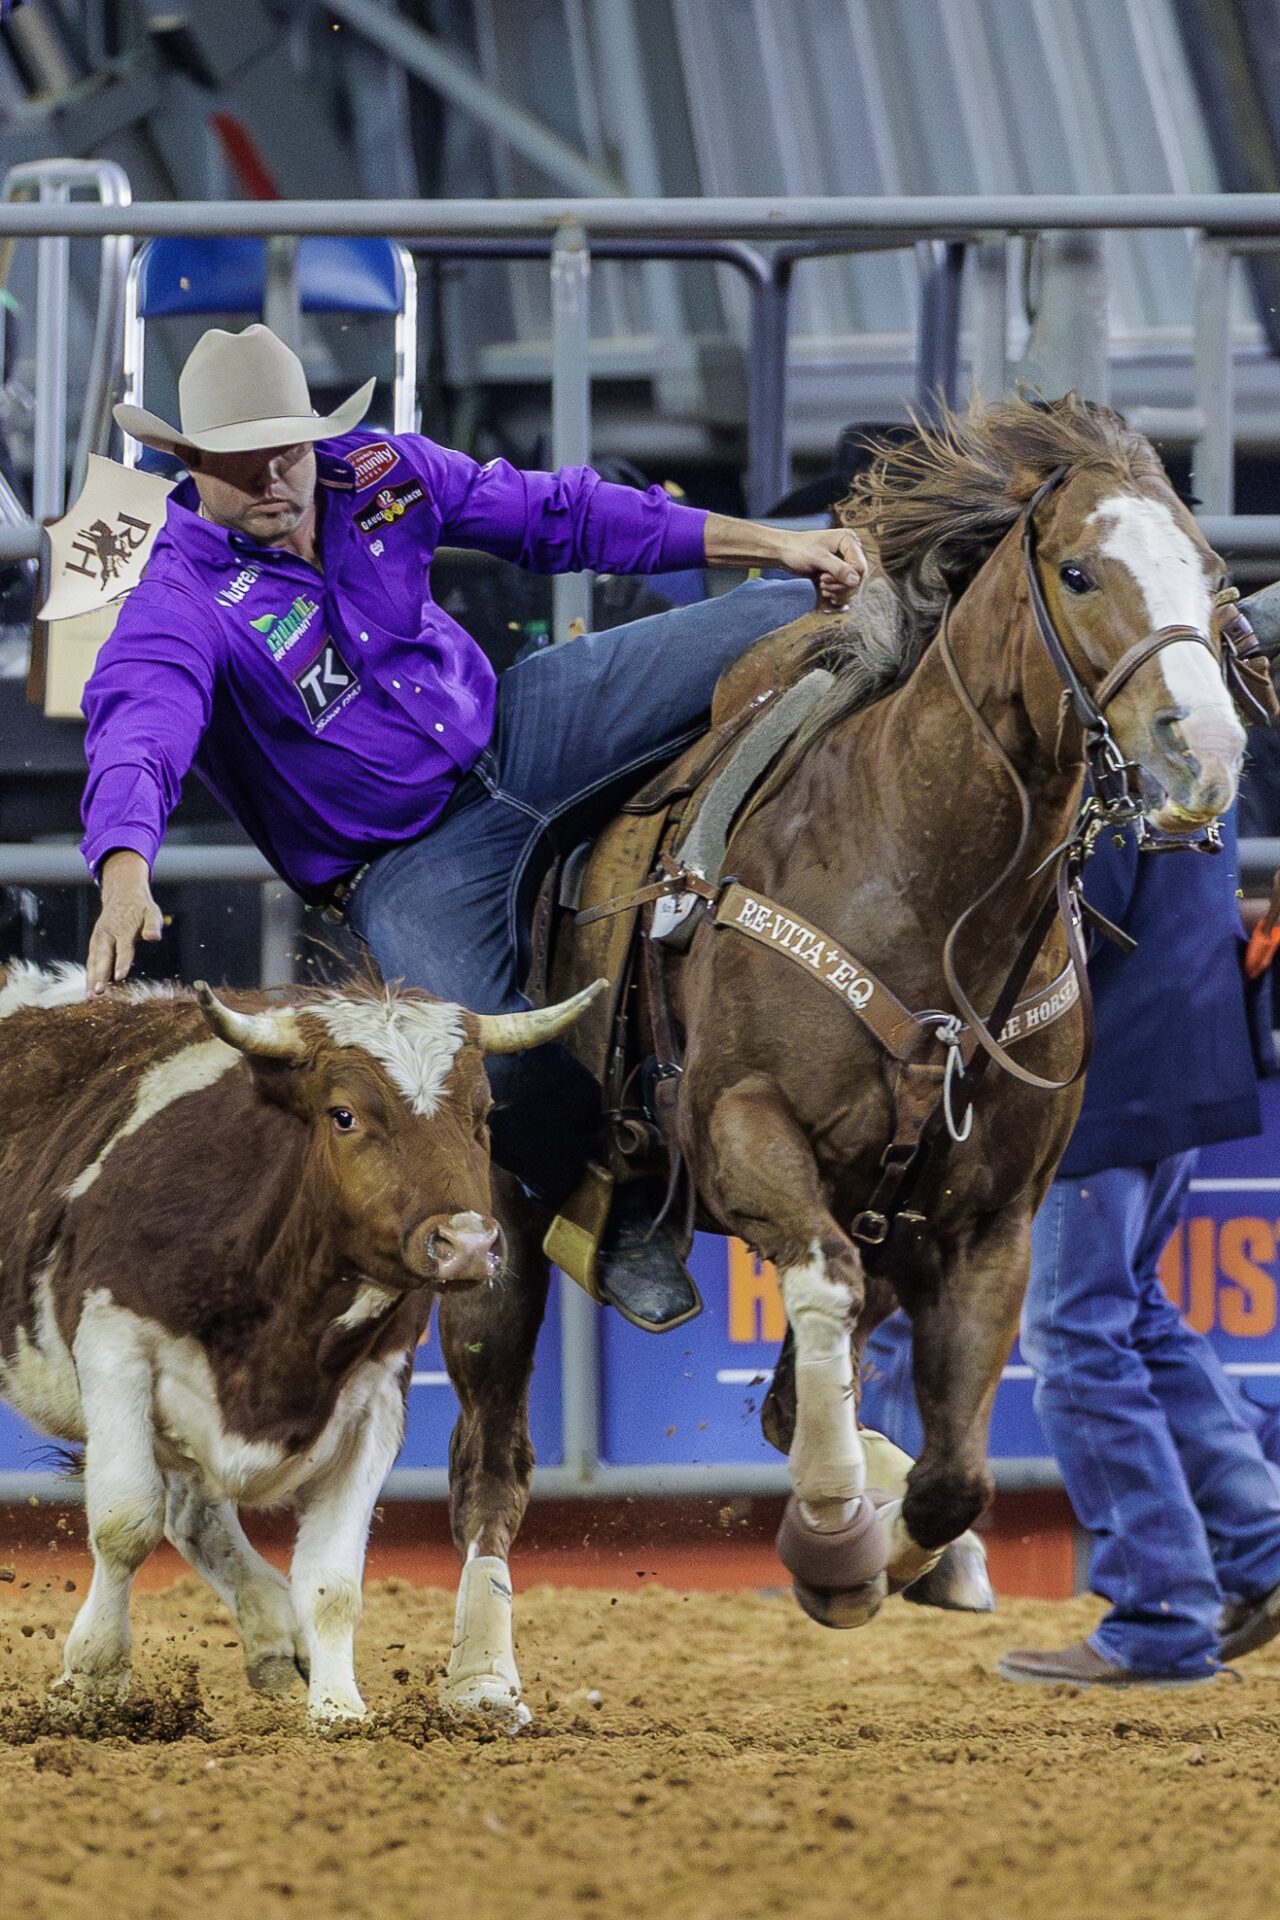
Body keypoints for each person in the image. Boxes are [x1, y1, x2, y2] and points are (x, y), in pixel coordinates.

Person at [80, 323, 866, 1332]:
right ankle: (606, 1211)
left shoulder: (377, 473)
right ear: (188, 465)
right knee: (483, 1054)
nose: (273, 479)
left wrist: (779, 543)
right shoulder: (179, 594)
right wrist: (121, 864)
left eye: (284, 452)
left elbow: (558, 514)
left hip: (521, 728)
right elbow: (139, 725)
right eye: (239, 464)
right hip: (400, 858)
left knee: (778, 618)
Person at [998, 808, 1280, 1686]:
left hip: (1102, 1076)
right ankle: (1265, 1548)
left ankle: (1160, 1613)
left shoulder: (1098, 754)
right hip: (1182, 1058)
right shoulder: (1185, 736)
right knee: (1136, 1318)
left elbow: (1061, 923)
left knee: (1076, 1336)